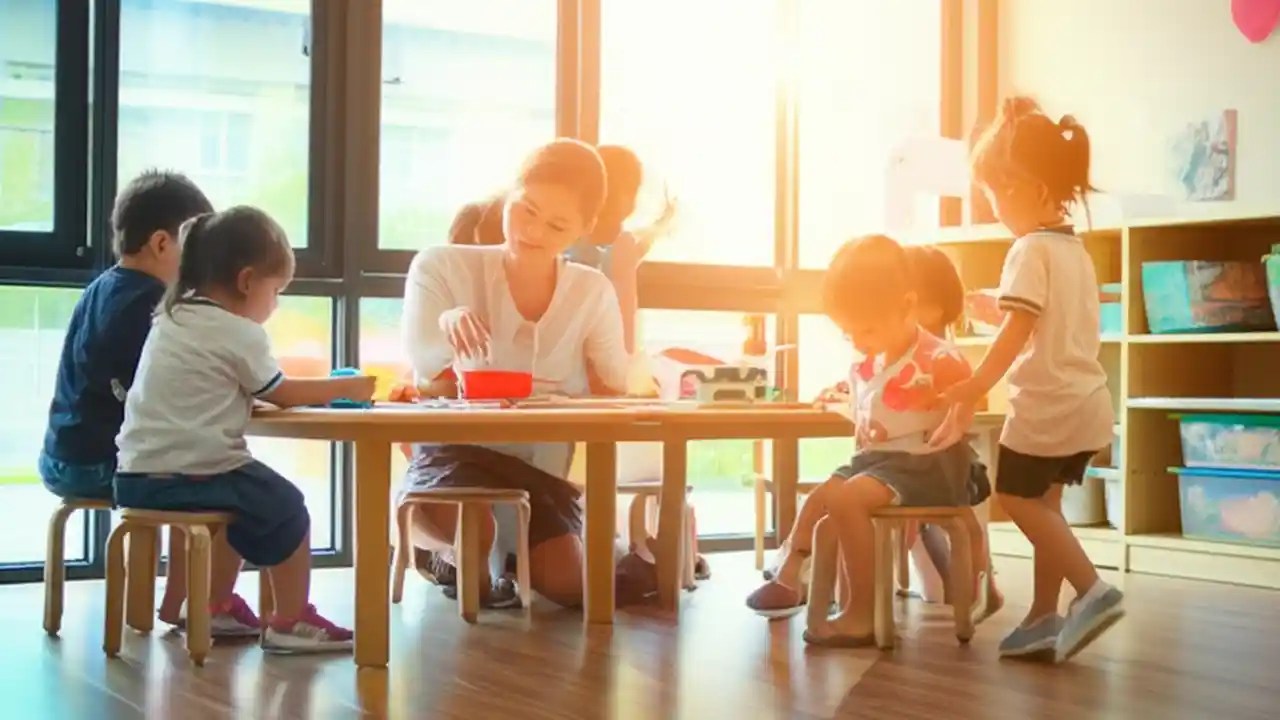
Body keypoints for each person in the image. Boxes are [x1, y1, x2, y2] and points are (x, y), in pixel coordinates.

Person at [114, 206, 375, 654]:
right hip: (193, 473)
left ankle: (215, 605)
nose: (275, 304)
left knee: (242, 500)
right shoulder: (238, 331)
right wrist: (349, 385)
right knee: (288, 505)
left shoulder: (172, 317)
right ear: (247, 281)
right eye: (276, 291)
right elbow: (283, 392)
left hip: (136, 478)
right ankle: (290, 620)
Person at [930, 96, 1122, 663]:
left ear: (1032, 189)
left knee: (1015, 498)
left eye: (996, 193)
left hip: (1046, 407)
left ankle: (1093, 590)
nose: (992, 207)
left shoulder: (1026, 248)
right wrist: (999, 307)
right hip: (1086, 404)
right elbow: (1040, 318)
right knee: (1048, 507)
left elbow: (1016, 337)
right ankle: (1043, 616)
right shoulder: (1072, 251)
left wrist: (972, 385)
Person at [401, 139, 631, 608]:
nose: (533, 231)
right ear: (510, 193)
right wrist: (449, 324)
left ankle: (502, 564)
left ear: (584, 229)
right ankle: (449, 555)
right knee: (473, 524)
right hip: (457, 453)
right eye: (526, 210)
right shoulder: (441, 265)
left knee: (572, 587)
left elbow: (616, 382)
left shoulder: (591, 291)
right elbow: (431, 375)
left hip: (538, 469)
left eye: (557, 224)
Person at [37, 170, 256, 635]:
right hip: (101, 462)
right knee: (220, 482)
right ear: (162, 244)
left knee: (188, 465)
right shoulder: (150, 305)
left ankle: (184, 600)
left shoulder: (103, 288)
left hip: (63, 456)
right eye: (194, 249)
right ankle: (201, 604)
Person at [747, 245, 997, 620]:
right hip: (881, 464)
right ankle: (791, 572)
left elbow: (971, 399)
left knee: (847, 500)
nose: (860, 341)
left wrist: (952, 420)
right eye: (849, 333)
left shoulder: (940, 357)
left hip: (926, 466)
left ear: (907, 305)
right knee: (820, 498)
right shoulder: (869, 362)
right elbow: (872, 413)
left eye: (867, 329)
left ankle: (859, 611)